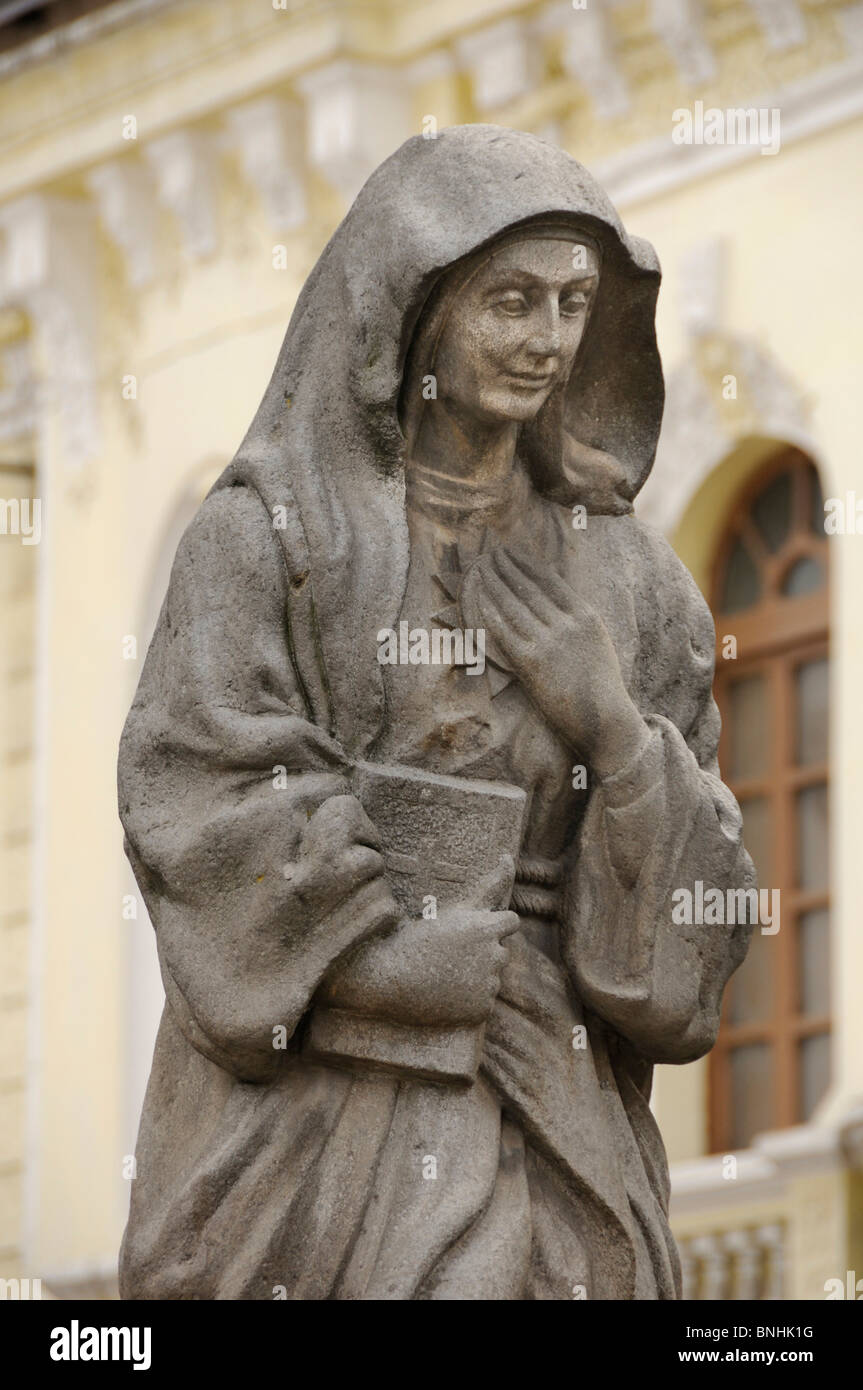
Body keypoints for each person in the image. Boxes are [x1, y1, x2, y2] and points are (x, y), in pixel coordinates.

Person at [118, 125, 754, 1300]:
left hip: (557, 1120)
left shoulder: (633, 585)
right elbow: (197, 790)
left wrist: (612, 730)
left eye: (570, 304)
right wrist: (384, 955)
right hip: (316, 1138)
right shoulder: (271, 539)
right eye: (508, 302)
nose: (546, 341)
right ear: (413, 309)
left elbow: (702, 933)